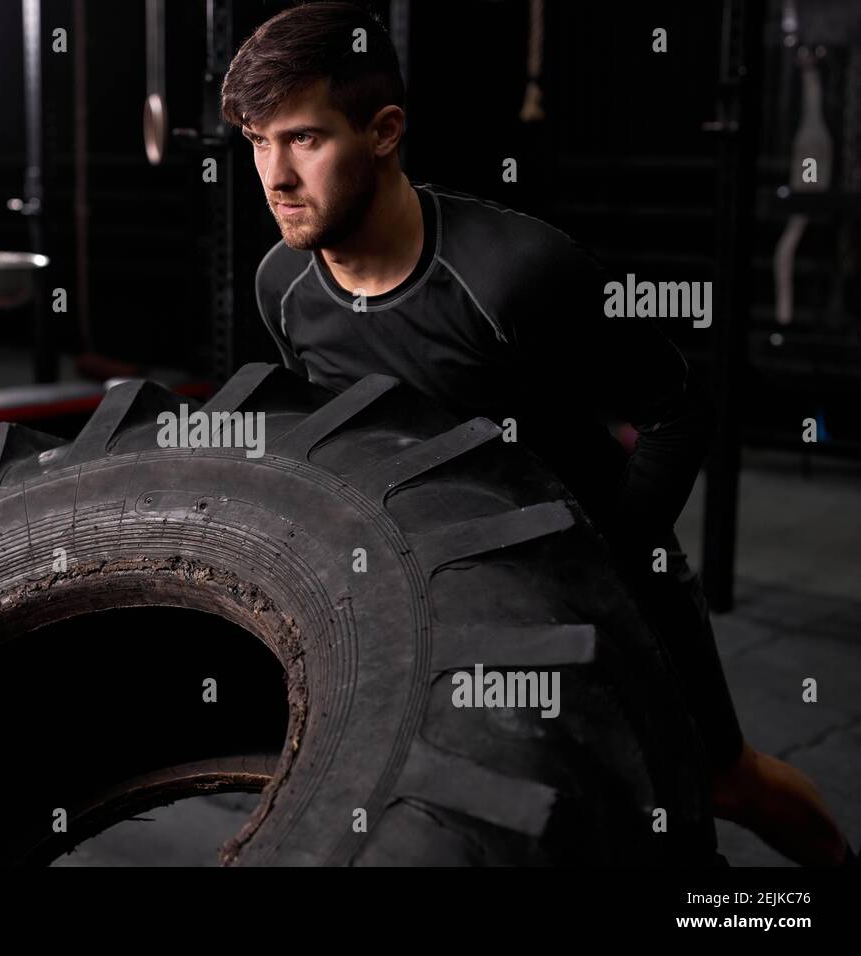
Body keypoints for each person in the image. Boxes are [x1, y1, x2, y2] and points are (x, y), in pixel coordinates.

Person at [224, 0, 852, 866]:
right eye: (257, 142)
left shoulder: (512, 273)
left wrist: (608, 568)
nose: (274, 176)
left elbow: (678, 409)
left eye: (302, 139)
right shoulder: (281, 288)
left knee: (715, 786)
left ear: (384, 130)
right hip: (444, 594)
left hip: (607, 575)